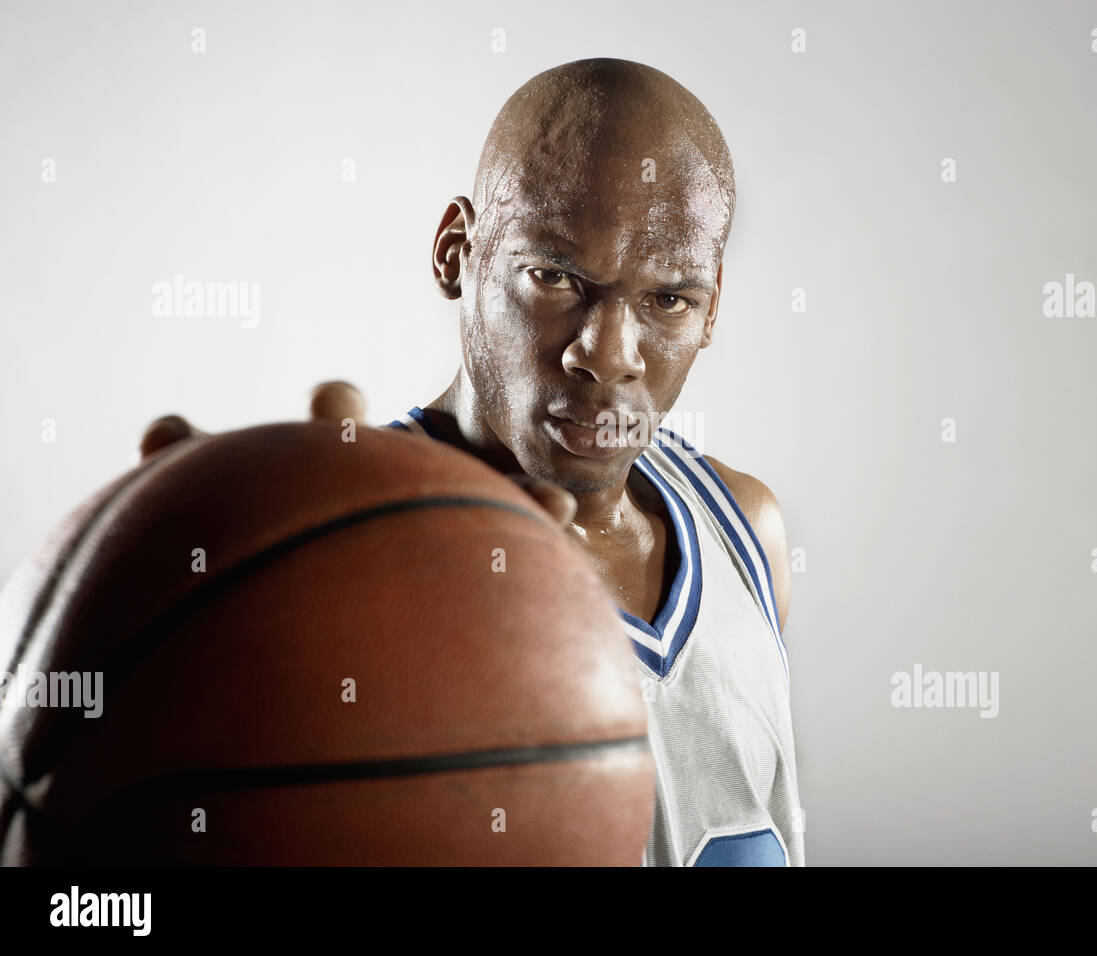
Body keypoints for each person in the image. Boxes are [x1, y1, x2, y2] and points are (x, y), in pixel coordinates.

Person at [142, 57, 803, 867]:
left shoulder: (747, 531)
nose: (607, 355)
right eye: (554, 277)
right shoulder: (337, 553)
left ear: (711, 308)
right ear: (457, 252)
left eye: (668, 298)